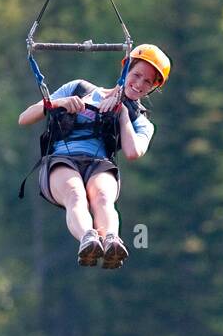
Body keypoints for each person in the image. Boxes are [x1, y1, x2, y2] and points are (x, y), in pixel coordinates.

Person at [17, 44, 171, 268]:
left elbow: (132, 152)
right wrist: (58, 103)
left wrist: (123, 114)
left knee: (102, 198)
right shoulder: (79, 88)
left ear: (153, 87)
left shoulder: (142, 122)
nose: (139, 84)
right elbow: (25, 118)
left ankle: (111, 239)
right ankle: (88, 238)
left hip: (99, 165)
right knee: (75, 194)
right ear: (125, 69)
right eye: (136, 75)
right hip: (62, 160)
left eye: (147, 82)